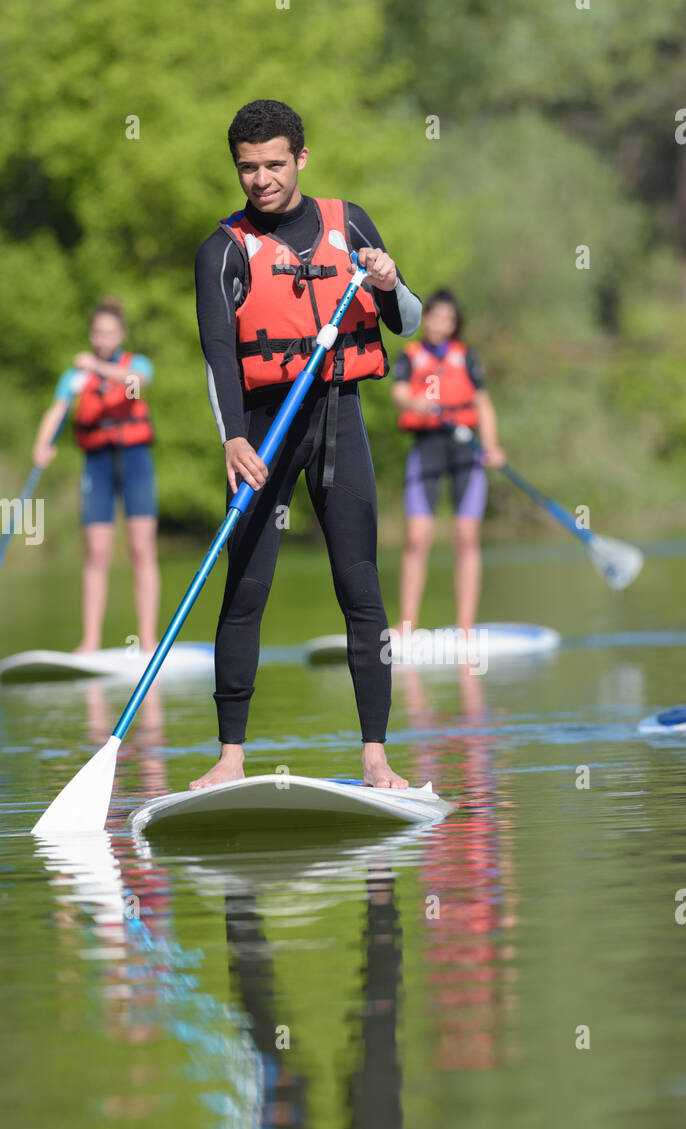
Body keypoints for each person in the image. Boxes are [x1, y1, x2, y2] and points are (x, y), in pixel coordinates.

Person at [191, 99, 422, 791]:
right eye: (247, 168)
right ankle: (230, 757)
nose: (260, 179)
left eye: (273, 164)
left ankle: (376, 756)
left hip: (338, 421)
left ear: (300, 159)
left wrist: (386, 283)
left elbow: (403, 320)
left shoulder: (347, 223)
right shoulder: (222, 249)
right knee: (245, 590)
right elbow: (217, 355)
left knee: (360, 588)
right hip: (261, 431)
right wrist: (232, 436)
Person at [31, 298, 159, 652]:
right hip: (97, 462)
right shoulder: (74, 378)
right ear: (91, 335)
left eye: (110, 332)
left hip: (134, 459)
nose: (103, 338)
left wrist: (97, 369)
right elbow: (57, 411)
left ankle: (147, 639)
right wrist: (42, 444)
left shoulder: (135, 365)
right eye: (98, 332)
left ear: (121, 334)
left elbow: (137, 382)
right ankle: (90, 641)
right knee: (97, 552)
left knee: (140, 548)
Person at [391, 290, 506, 633]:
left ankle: (466, 627)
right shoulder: (409, 356)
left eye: (448, 319)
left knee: (466, 536)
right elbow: (398, 393)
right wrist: (416, 402)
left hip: (464, 447)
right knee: (417, 538)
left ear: (455, 325)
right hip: (427, 446)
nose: (441, 324)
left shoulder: (465, 357)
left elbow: (483, 405)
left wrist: (491, 446)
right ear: (426, 319)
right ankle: (407, 624)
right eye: (436, 316)